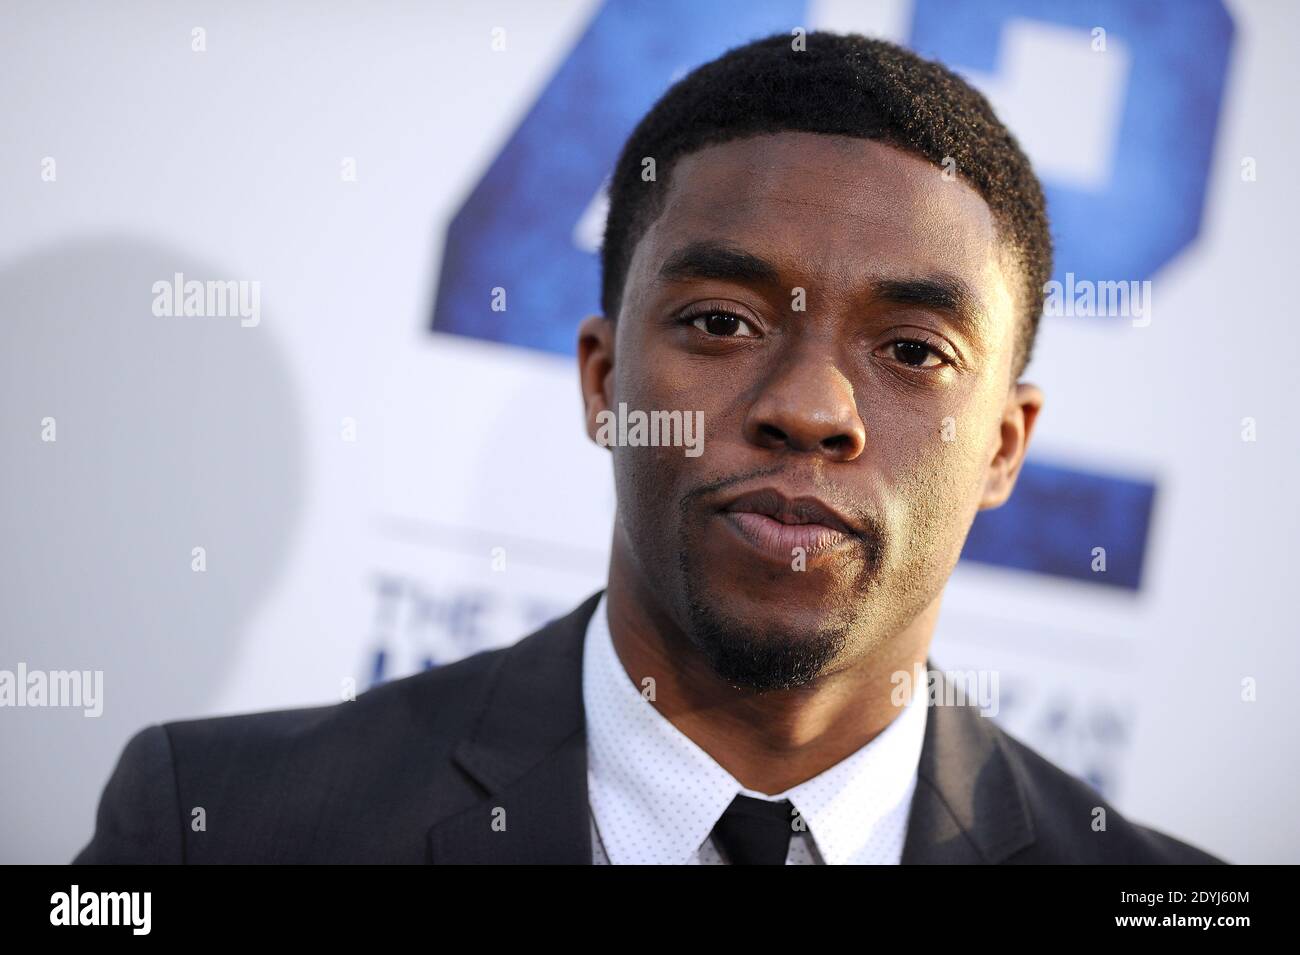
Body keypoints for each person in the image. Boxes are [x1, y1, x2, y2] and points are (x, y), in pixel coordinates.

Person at [75, 31, 1223, 865]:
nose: (813, 406)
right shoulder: (218, 825)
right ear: (605, 380)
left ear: (1002, 450)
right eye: (722, 322)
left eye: (914, 350)